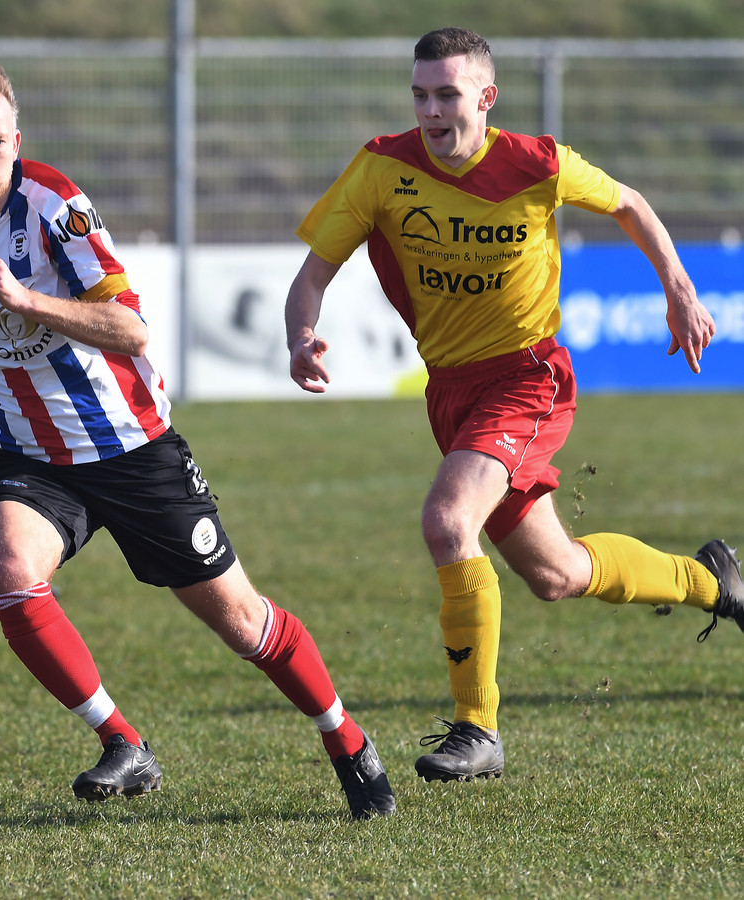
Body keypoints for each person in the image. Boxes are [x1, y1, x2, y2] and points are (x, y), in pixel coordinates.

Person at [0, 57, 396, 820]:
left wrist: (24, 298)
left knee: (242, 622)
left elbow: (132, 330)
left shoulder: (56, 207)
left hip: (131, 445)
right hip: (28, 454)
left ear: (17, 141)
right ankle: (121, 742)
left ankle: (344, 736)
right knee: (8, 570)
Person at [285, 26, 743, 784]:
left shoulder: (538, 164)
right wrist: (302, 336)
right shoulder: (381, 168)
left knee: (447, 522)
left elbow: (629, 203)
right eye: (420, 95)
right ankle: (712, 582)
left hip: (527, 378)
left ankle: (478, 729)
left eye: (448, 94)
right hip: (450, 391)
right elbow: (312, 275)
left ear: (486, 98)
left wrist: (680, 290)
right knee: (555, 573)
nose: (431, 111)